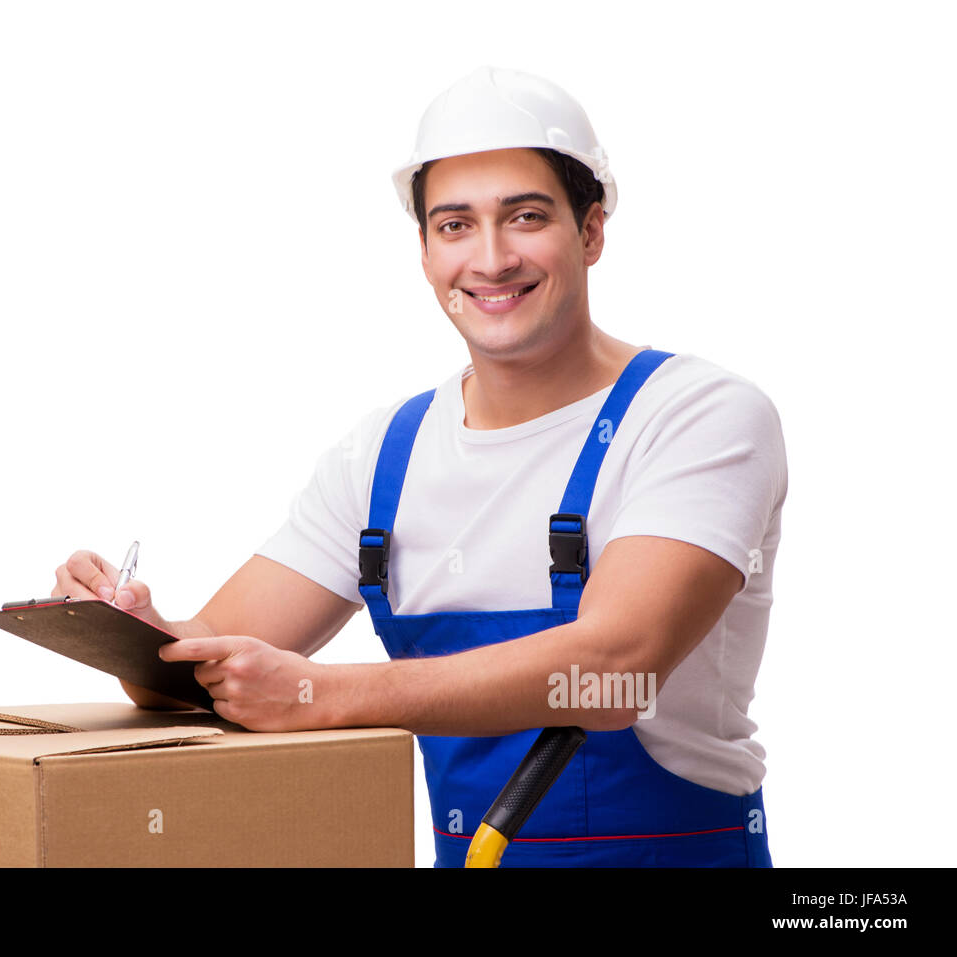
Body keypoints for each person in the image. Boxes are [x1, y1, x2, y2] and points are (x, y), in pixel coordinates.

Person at [53, 66, 787, 867]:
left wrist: (316, 693)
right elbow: (204, 670)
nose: (493, 257)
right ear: (426, 249)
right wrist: (131, 630)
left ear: (592, 231)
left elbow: (612, 669)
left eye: (527, 216)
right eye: (456, 225)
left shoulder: (697, 416)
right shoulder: (384, 458)